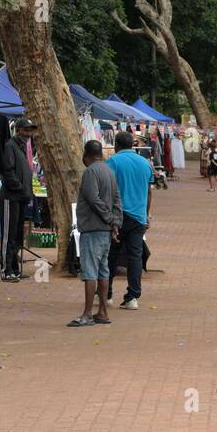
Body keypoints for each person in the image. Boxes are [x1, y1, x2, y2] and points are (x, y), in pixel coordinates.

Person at [68, 140, 121, 328]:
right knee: (102, 271)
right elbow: (117, 200)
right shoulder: (109, 171)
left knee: (90, 272)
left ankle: (88, 313)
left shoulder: (91, 172)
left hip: (93, 228)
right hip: (105, 231)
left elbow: (93, 199)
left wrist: (109, 219)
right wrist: (115, 222)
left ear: (87, 155)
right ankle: (103, 312)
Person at [106, 131, 154, 309]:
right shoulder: (145, 164)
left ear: (116, 145)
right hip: (138, 217)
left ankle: (106, 293)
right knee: (135, 256)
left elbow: (107, 189)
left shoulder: (112, 162)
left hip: (117, 216)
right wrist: (147, 214)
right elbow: (149, 192)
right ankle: (132, 297)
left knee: (111, 254)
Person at [0, 117, 37, 282]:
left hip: (20, 198)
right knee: (9, 235)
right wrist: (21, 188)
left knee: (17, 235)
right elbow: (8, 171)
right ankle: (6, 270)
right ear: (18, 130)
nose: (28, 133)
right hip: (11, 197)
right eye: (26, 130)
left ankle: (14, 268)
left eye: (30, 130)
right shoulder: (10, 146)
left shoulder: (22, 147)